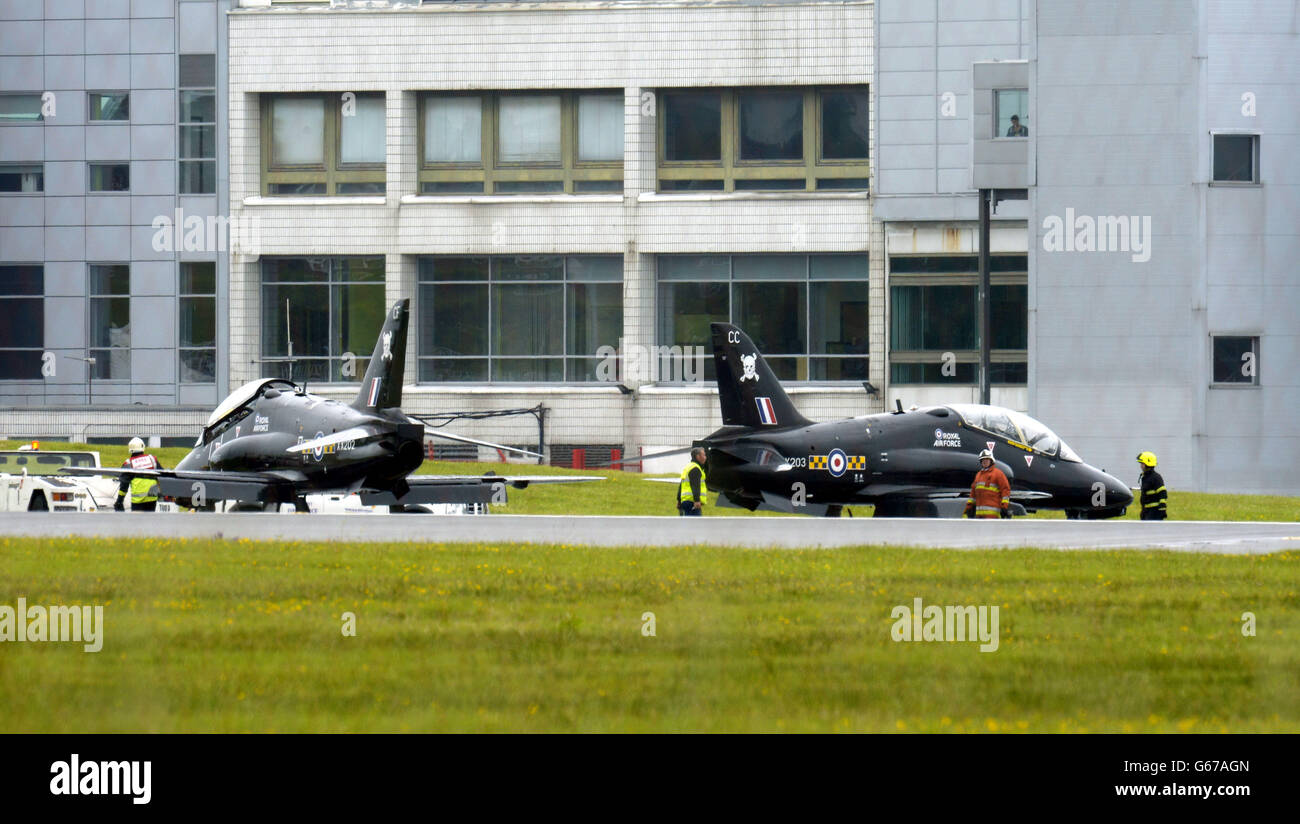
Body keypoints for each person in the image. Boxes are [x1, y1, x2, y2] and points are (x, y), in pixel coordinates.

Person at [115, 437, 164, 512]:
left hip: (137, 500)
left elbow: (124, 484)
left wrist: (119, 501)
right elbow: (162, 475)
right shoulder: (152, 459)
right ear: (143, 447)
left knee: (137, 522)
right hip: (152, 497)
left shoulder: (129, 463)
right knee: (150, 521)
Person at [964, 449, 1011, 519]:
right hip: (979, 516)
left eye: (987, 459)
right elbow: (973, 494)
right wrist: (969, 507)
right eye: (982, 460)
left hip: (992, 516)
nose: (984, 461)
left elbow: (1005, 490)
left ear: (991, 461)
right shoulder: (978, 475)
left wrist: (1004, 507)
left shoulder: (998, 474)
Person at [1136, 451, 1167, 520]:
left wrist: (1162, 509)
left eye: (1142, 463)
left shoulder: (1156, 477)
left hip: (1155, 513)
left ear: (1147, 463)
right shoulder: (1145, 477)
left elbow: (1163, 493)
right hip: (1147, 511)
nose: (1141, 465)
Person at [677, 447, 707, 516]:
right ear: (698, 456)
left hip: (685, 501)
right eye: (704, 455)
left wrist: (679, 500)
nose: (705, 457)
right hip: (692, 502)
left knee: (688, 523)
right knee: (696, 525)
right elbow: (695, 485)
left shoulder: (688, 467)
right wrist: (697, 500)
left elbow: (681, 485)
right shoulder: (695, 469)